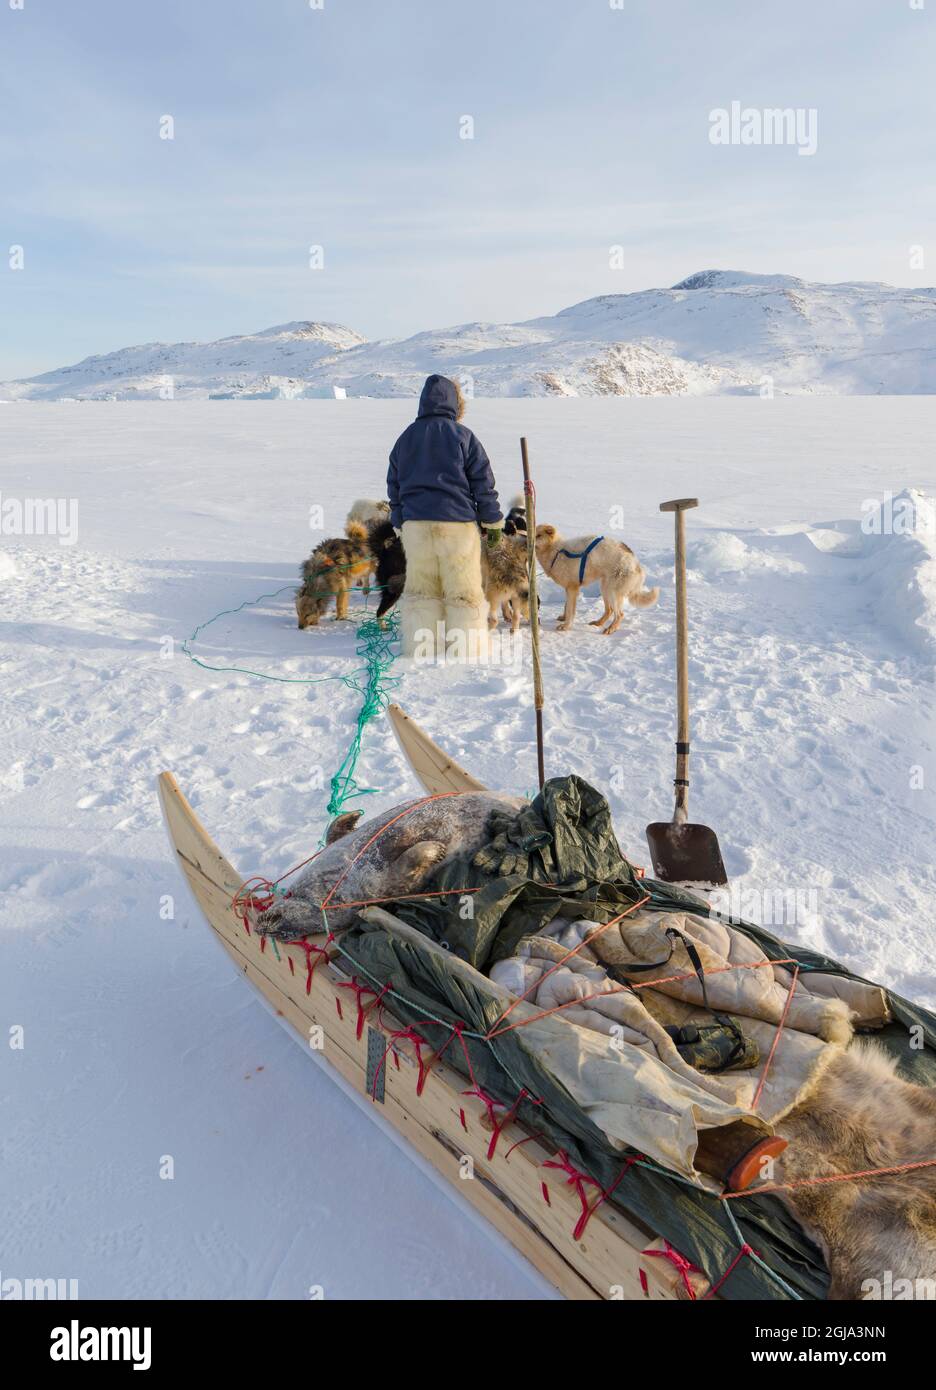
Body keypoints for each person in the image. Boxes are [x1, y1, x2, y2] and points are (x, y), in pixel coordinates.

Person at [387, 374, 503, 658]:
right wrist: (492, 520)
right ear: (455, 403)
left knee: (421, 589)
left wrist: (399, 521)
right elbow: (483, 483)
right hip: (457, 527)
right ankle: (467, 646)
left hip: (416, 527)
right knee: (463, 589)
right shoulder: (463, 436)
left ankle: (421, 646)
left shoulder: (405, 438)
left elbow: (395, 485)